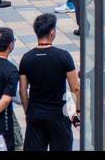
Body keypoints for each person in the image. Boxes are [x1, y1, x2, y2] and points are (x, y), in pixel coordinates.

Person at [19, 13, 80, 152]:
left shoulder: (27, 58)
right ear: (52, 32)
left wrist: (28, 111)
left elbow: (23, 90)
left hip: (35, 114)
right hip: (58, 115)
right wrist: (77, 111)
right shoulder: (63, 56)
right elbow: (75, 88)